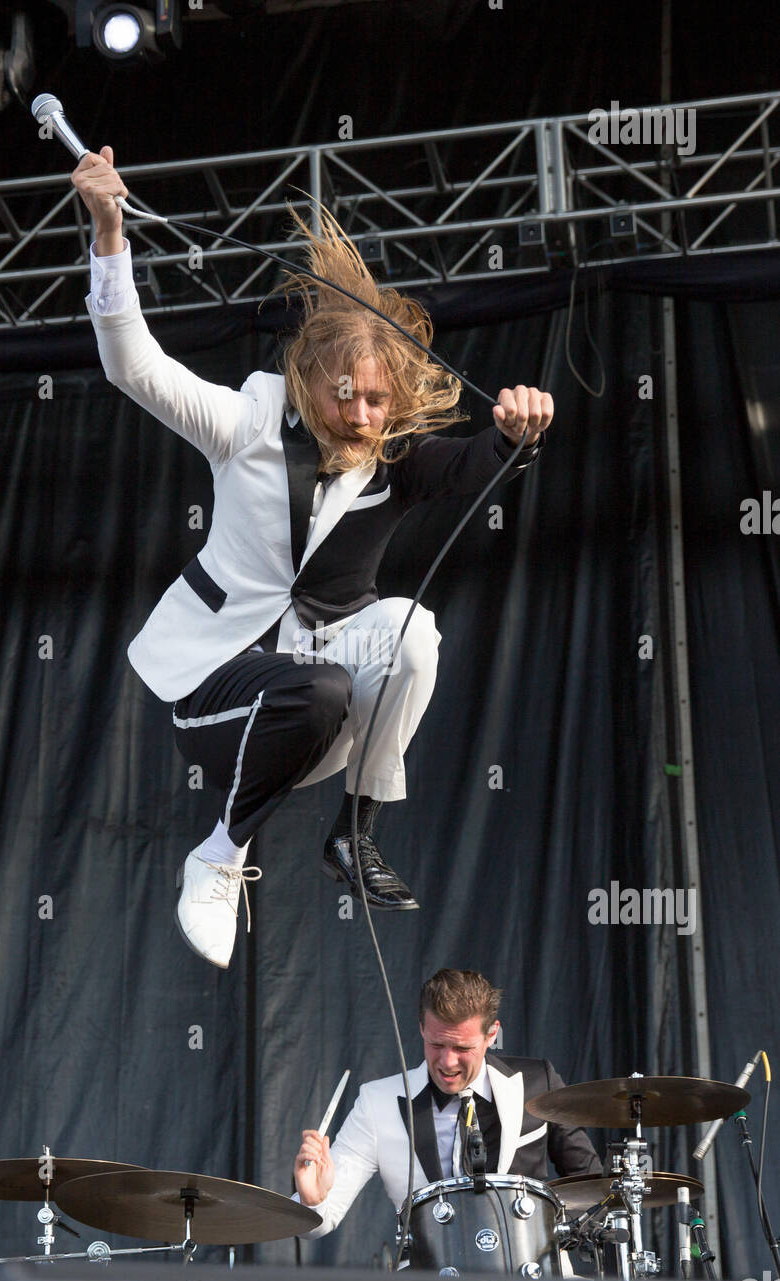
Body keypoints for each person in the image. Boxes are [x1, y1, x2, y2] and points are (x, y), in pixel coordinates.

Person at [71, 148, 555, 970]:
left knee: (414, 631)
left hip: (323, 710)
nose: (361, 414)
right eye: (345, 395)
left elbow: (473, 463)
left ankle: (355, 833)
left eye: (377, 400)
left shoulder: (395, 456)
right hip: (219, 692)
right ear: (308, 380)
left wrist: (514, 434)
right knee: (321, 686)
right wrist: (110, 233)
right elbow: (133, 367)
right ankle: (221, 854)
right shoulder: (247, 421)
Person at [293, 969, 601, 1238]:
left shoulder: (537, 1083)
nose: (447, 1061)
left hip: (530, 1277)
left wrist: (557, 1235)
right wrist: (312, 1200)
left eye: (462, 1047)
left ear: (492, 1034)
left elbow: (593, 1188)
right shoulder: (378, 1102)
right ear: (421, 1028)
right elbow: (321, 1220)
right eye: (436, 1044)